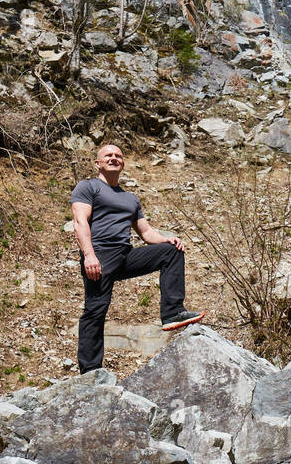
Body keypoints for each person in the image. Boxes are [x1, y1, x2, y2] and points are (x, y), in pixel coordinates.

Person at [71, 144, 204, 373]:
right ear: (98, 163)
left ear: (123, 163)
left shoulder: (130, 198)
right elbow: (79, 222)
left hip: (125, 255)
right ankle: (90, 371)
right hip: (100, 255)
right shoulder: (88, 187)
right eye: (108, 155)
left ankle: (172, 312)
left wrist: (168, 240)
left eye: (118, 156)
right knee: (96, 310)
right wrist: (89, 255)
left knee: (171, 252)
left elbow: (146, 233)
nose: (114, 158)